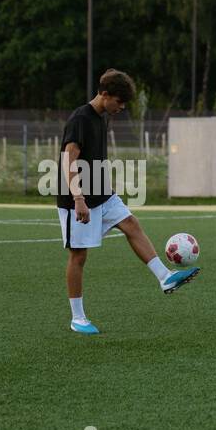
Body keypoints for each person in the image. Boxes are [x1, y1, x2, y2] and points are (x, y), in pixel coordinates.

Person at [57, 68, 199, 334]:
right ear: (104, 94)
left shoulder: (102, 117)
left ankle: (165, 278)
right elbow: (69, 159)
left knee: (131, 224)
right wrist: (78, 198)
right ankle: (78, 318)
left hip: (103, 195)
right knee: (78, 256)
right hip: (77, 199)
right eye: (119, 102)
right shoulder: (80, 119)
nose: (121, 108)